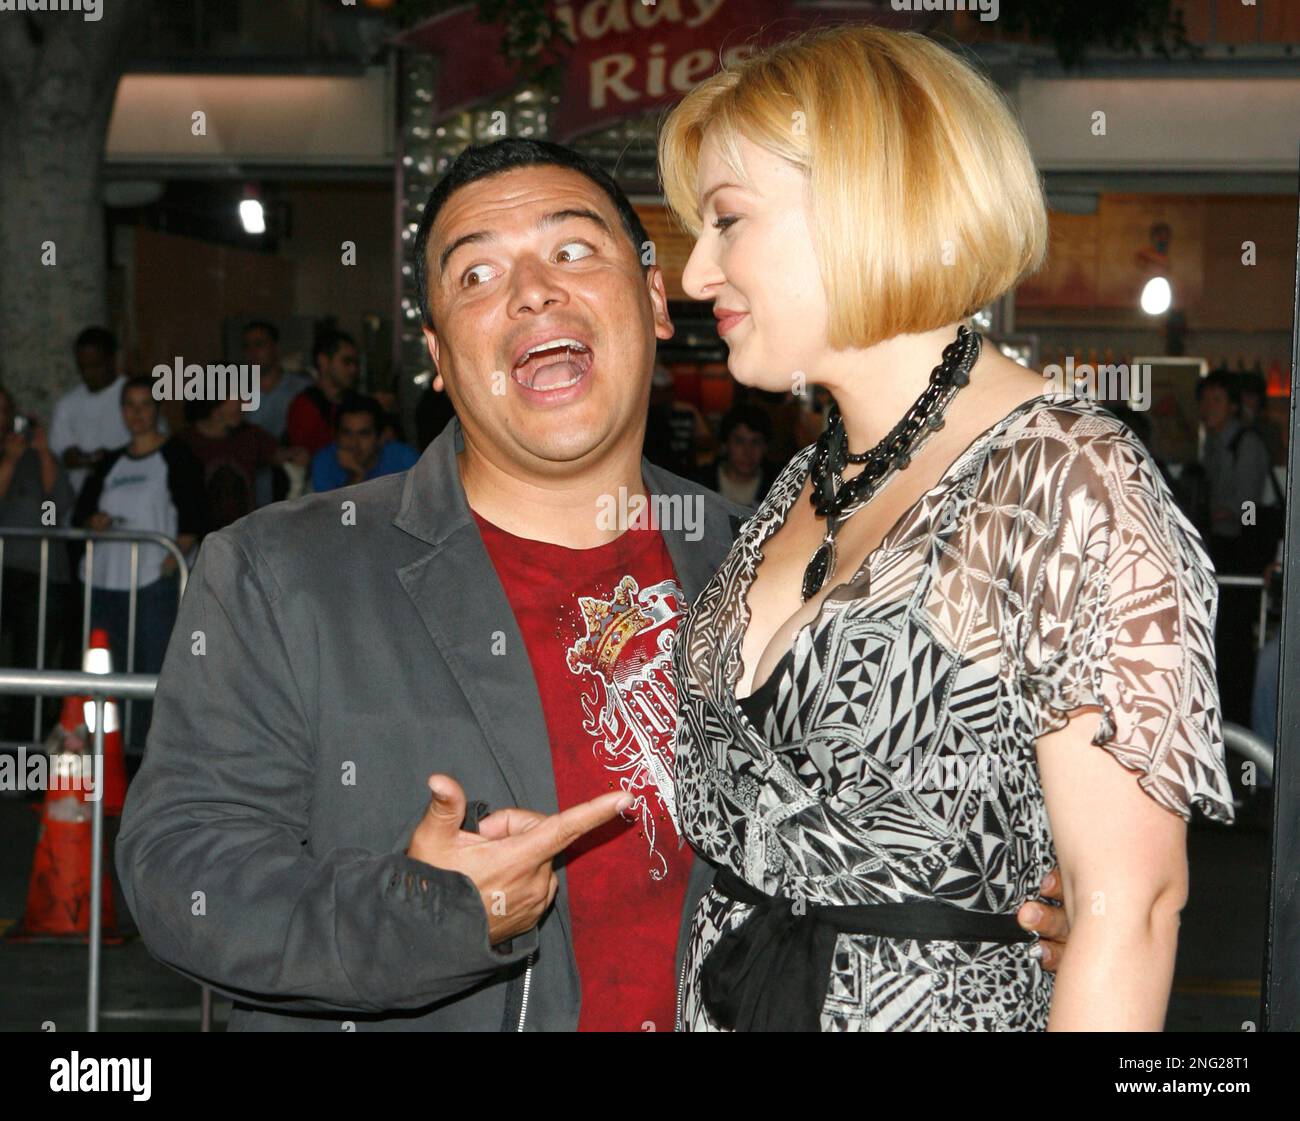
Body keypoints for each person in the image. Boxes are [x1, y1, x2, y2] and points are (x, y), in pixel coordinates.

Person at [115, 139, 1068, 1033]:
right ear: (440, 359)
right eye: (477, 274)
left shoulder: (782, 558)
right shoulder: (288, 572)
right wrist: (434, 911)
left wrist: (1012, 907)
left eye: (573, 248)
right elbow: (179, 873)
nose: (532, 292)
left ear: (657, 300)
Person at [657, 24, 1232, 1031]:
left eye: (727, 221)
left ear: (865, 206)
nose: (697, 273)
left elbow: (1129, 910)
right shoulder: (805, 476)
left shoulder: (1063, 477)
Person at [73, 376, 204, 746]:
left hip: (151, 583)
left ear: (158, 409)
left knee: (150, 670)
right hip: (104, 581)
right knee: (103, 669)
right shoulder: (110, 461)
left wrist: (169, 561)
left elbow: (195, 513)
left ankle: (145, 755)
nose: (137, 413)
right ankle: (105, 751)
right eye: (130, 405)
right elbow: (81, 513)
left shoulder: (177, 455)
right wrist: (93, 520)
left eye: (145, 404)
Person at [0, 388, 76, 739]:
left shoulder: (40, 456)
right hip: (4, 571)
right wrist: (10, 462)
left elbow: (56, 505)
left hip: (40, 573)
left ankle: (25, 747)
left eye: (5, 410)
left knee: (35, 663)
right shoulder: (10, 458)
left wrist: (42, 452)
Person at [181, 394, 308, 531]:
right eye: (237, 396)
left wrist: (297, 455)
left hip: (245, 536)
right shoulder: (183, 445)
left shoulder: (250, 436)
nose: (245, 402)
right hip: (202, 540)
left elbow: (283, 455)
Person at [47, 327, 132, 498]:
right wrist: (97, 459)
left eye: (95, 366)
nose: (88, 374)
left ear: (112, 359)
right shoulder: (67, 405)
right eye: (83, 367)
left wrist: (97, 458)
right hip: (83, 501)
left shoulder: (134, 395)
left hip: (130, 495)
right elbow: (66, 457)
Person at [310, 395, 418, 492]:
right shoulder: (324, 461)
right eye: (347, 434)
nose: (354, 444)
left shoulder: (404, 459)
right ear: (336, 436)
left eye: (363, 434)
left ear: (381, 438)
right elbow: (335, 513)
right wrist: (356, 476)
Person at [285, 328, 361, 455]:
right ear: (323, 361)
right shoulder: (304, 406)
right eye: (346, 362)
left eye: (355, 363)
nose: (353, 369)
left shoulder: (356, 402)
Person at [240, 320, 311, 445]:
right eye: (247, 346)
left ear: (276, 348)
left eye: (259, 345)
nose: (252, 352)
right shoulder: (236, 391)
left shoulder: (302, 388)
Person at [699, 405, 778, 505]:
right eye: (739, 441)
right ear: (725, 444)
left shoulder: (779, 488)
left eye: (756, 442)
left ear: (765, 447)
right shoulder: (701, 483)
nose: (748, 452)